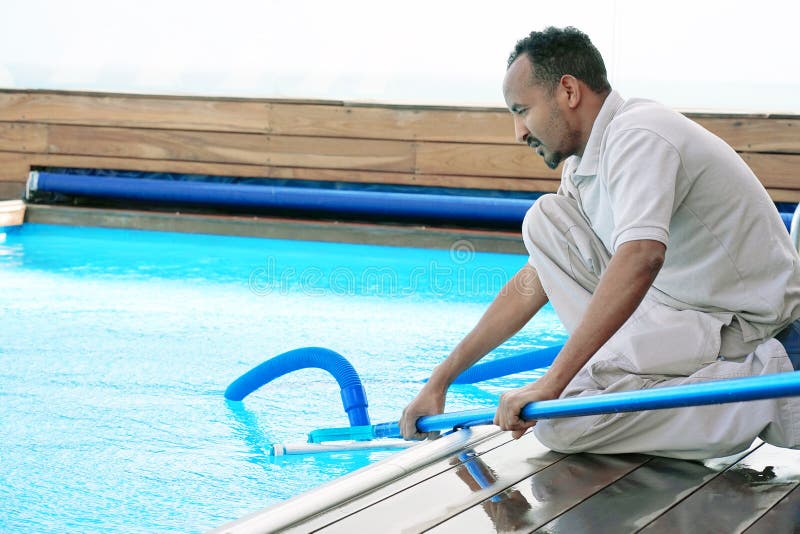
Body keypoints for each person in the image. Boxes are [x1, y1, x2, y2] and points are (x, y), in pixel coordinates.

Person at [399, 26, 800, 459]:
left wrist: (554, 381)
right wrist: (440, 379)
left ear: (568, 90)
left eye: (522, 110)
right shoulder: (586, 162)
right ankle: (615, 373)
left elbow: (641, 257)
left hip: (743, 329)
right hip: (684, 317)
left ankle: (766, 395)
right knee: (544, 222)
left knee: (563, 424)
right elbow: (536, 280)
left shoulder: (640, 134)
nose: (518, 132)